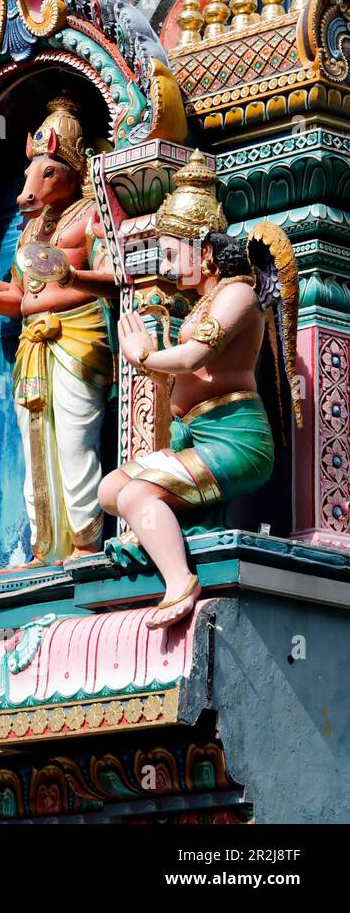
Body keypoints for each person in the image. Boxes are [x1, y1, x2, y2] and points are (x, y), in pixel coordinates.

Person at [97, 151, 297, 629]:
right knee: (112, 489)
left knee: (137, 497)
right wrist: (149, 361)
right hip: (200, 434)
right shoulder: (202, 302)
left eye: (173, 251)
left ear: (205, 250)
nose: (167, 265)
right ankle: (182, 529)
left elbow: (194, 359)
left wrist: (144, 355)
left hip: (237, 440)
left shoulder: (240, 294)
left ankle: (180, 583)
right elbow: (181, 378)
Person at [0, 97, 118, 566]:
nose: (30, 188)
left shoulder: (92, 216)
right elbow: (20, 297)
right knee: (35, 446)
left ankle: (86, 543)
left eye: (46, 173)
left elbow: (113, 281)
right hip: (34, 346)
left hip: (77, 340)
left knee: (73, 440)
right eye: (31, 174)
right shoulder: (29, 233)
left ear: (73, 168)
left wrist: (72, 276)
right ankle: (44, 547)